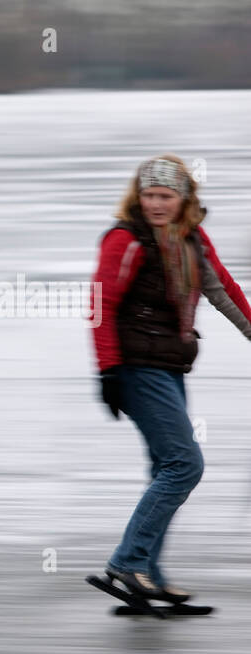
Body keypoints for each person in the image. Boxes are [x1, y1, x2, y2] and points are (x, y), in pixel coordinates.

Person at [90, 155, 251, 601]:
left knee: (167, 466)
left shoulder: (192, 240)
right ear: (137, 197)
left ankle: (147, 576)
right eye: (149, 195)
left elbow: (223, 290)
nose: (156, 204)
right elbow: (100, 307)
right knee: (185, 464)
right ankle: (126, 564)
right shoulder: (126, 240)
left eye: (166, 196)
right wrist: (107, 372)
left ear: (184, 200)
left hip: (169, 367)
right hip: (136, 369)